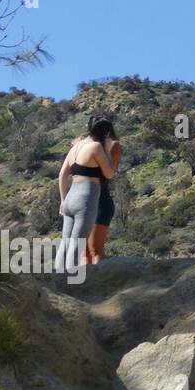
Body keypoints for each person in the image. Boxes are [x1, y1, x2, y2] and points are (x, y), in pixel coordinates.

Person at [56, 117, 118, 276]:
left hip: (70, 197)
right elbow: (109, 173)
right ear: (106, 132)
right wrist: (109, 151)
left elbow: (62, 175)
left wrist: (63, 201)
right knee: (78, 242)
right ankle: (71, 283)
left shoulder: (76, 147)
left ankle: (56, 278)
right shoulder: (96, 147)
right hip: (86, 197)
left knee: (65, 242)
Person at [87, 135, 124, 265]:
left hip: (101, 203)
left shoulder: (112, 147)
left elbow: (110, 171)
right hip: (85, 204)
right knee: (84, 252)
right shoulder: (84, 147)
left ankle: (100, 280)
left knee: (95, 249)